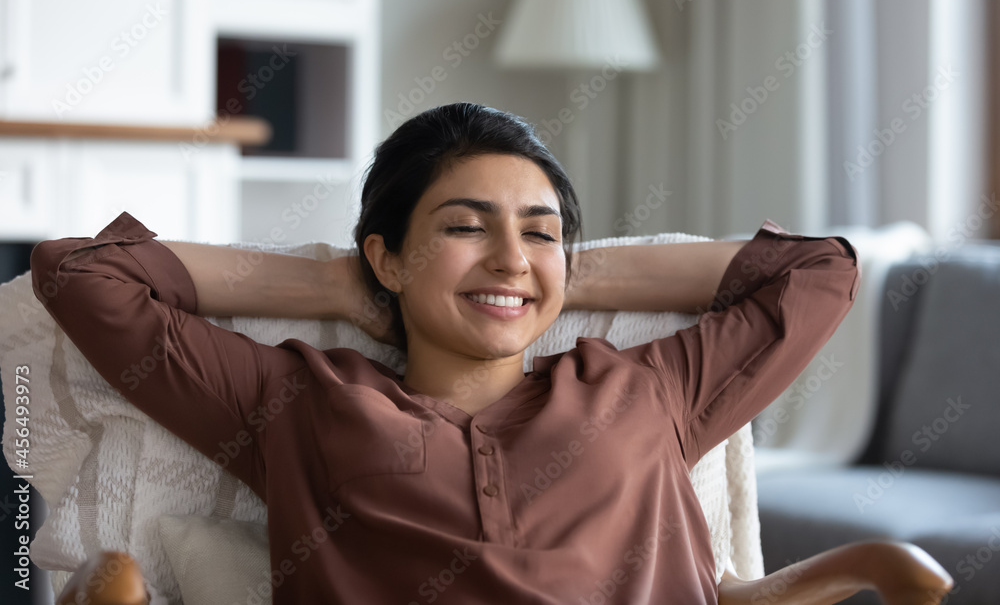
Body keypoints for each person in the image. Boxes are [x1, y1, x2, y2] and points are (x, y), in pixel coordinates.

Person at [31, 102, 861, 604]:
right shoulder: (299, 400)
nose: (509, 256)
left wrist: (563, 272)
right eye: (466, 226)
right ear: (387, 256)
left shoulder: (650, 388)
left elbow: (820, 271)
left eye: (539, 231)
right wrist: (337, 283)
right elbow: (79, 273)